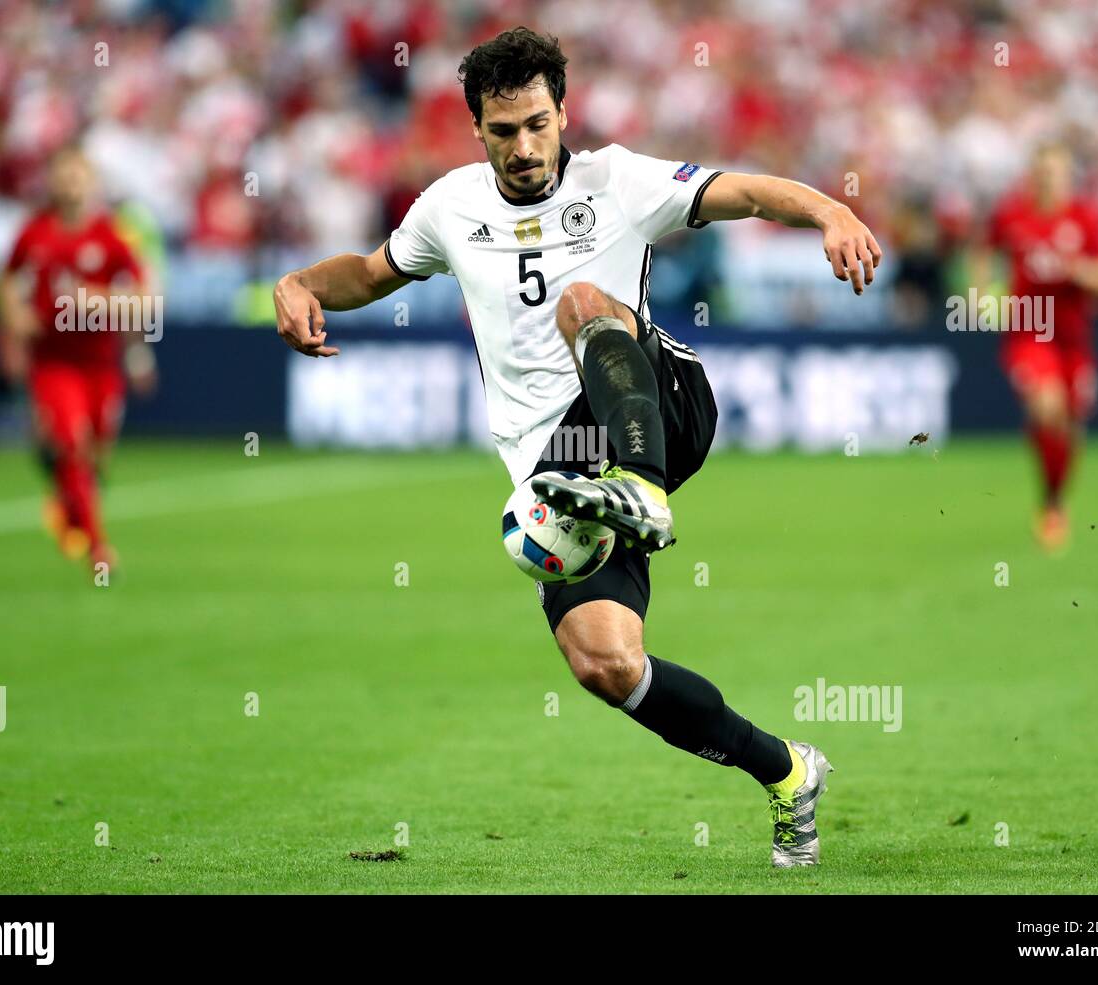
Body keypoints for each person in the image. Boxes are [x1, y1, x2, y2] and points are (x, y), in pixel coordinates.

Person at [273, 28, 882, 867]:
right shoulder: (450, 206)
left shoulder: (617, 181)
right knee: (606, 663)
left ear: (563, 112)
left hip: (659, 407)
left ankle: (642, 485)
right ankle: (787, 772)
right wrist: (300, 282)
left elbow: (741, 191)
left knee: (584, 302)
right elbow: (374, 273)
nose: (524, 147)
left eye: (537, 124)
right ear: (476, 129)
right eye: (503, 130)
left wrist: (830, 210)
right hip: (557, 471)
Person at [0, 146, 155, 571]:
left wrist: (101, 303)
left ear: (91, 182)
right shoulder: (34, 233)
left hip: (100, 362)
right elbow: (8, 279)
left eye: (77, 175)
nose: (70, 183)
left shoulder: (112, 235)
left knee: (97, 453)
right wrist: (15, 318)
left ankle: (66, 504)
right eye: (63, 175)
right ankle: (99, 550)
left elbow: (145, 299)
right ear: (50, 181)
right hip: (53, 362)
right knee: (73, 444)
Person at [988, 143, 1098, 551]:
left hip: (1073, 337)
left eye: (1056, 172)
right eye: (1042, 172)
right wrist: (982, 292)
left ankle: (1053, 500)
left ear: (1067, 177)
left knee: (1069, 425)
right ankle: (1051, 506)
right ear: (1033, 175)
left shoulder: (1086, 218)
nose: (1048, 179)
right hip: (1030, 330)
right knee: (1047, 405)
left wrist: (1074, 268)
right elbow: (984, 250)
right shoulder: (1012, 214)